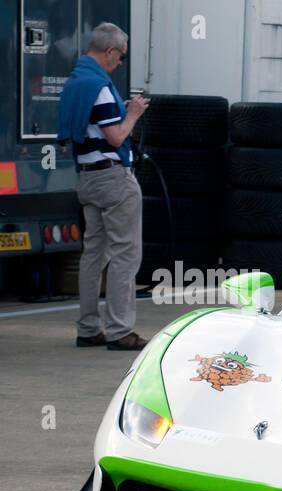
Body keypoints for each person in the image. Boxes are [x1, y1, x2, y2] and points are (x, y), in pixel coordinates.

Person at [57, 22, 150, 350]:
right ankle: (121, 331)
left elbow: (93, 126)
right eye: (120, 56)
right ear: (110, 51)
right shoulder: (99, 85)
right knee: (126, 253)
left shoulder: (75, 82)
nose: (120, 62)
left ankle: (87, 328)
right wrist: (134, 114)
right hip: (113, 178)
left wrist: (117, 114)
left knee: (93, 253)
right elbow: (115, 136)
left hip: (87, 177)